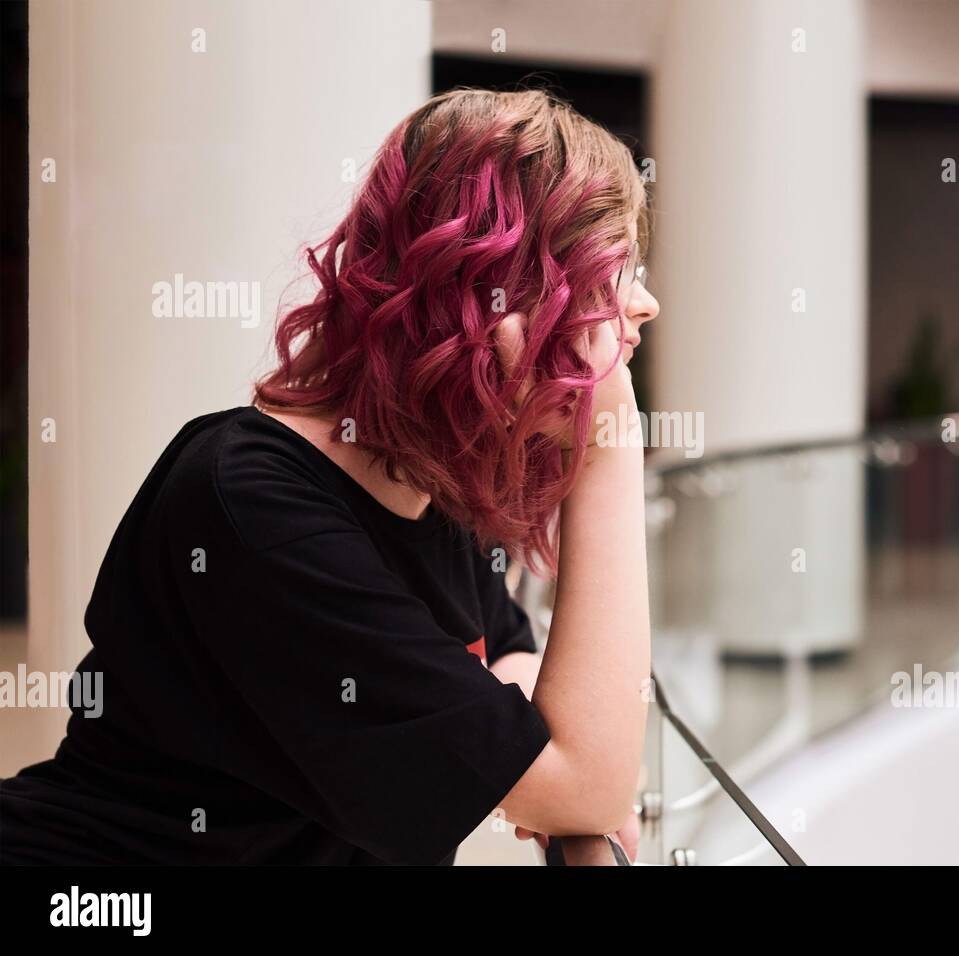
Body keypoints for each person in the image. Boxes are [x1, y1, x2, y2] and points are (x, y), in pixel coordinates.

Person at [0, 88, 658, 865]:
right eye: (603, 281)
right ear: (485, 304)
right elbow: (587, 783)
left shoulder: (426, 478)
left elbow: (519, 682)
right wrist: (610, 436)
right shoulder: (252, 505)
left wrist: (563, 770)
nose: (643, 306)